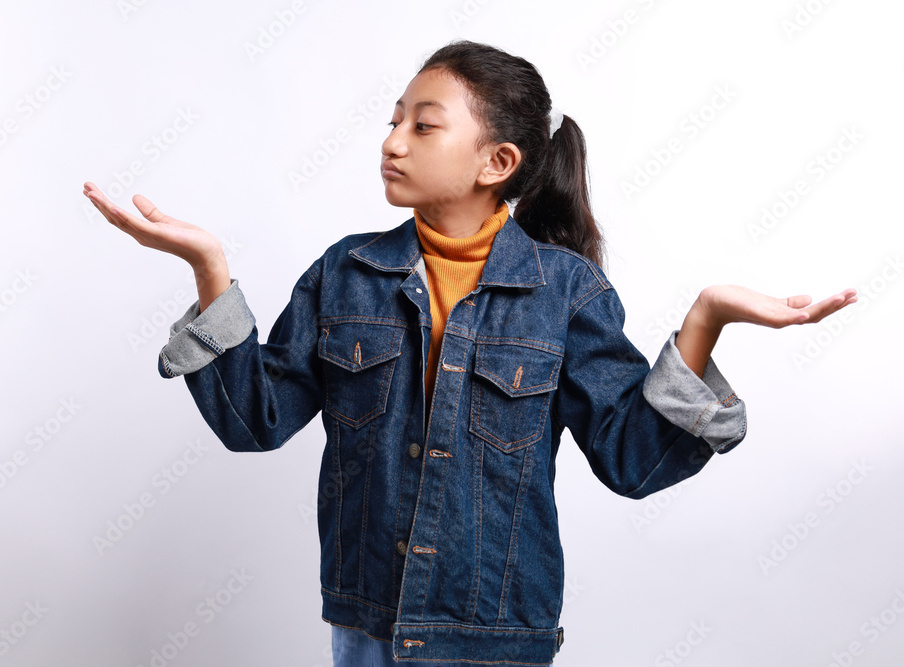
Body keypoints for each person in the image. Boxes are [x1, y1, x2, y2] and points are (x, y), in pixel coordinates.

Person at [83, 39, 855, 667]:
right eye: (393, 121)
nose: (391, 142)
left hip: (496, 639)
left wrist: (706, 318)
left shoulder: (566, 292)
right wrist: (210, 269)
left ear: (498, 162)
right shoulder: (345, 275)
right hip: (367, 630)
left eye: (423, 125)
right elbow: (256, 417)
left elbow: (634, 460)